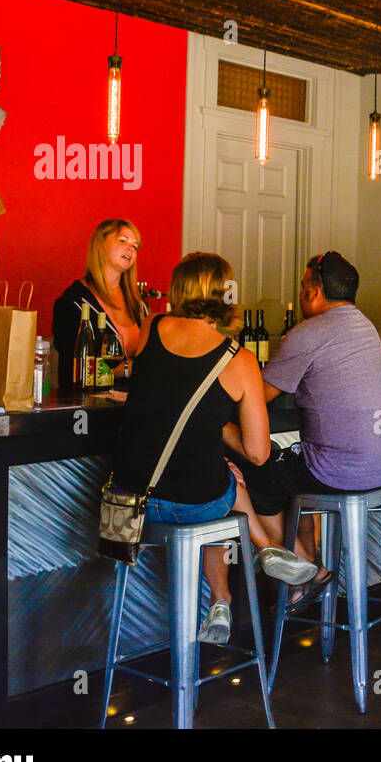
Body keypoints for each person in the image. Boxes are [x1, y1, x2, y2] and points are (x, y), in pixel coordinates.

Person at [111, 252, 306, 644]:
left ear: (179, 290)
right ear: (225, 295)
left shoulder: (152, 325)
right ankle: (249, 566)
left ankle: (227, 593)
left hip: (132, 500)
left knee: (216, 480)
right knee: (225, 482)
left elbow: (148, 381)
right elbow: (258, 454)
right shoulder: (240, 360)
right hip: (197, 501)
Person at [226, 251, 381, 605]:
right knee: (289, 469)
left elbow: (258, 394)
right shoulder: (365, 326)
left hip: (339, 470)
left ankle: (301, 568)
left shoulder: (308, 332)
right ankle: (308, 566)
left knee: (258, 469)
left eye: (304, 285)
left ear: (314, 291)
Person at [53, 219, 146, 391]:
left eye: (135, 246)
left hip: (130, 406)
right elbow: (74, 369)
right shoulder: (73, 302)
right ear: (100, 244)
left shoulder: (138, 305)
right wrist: (123, 371)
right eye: (123, 241)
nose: (131, 249)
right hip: (89, 408)